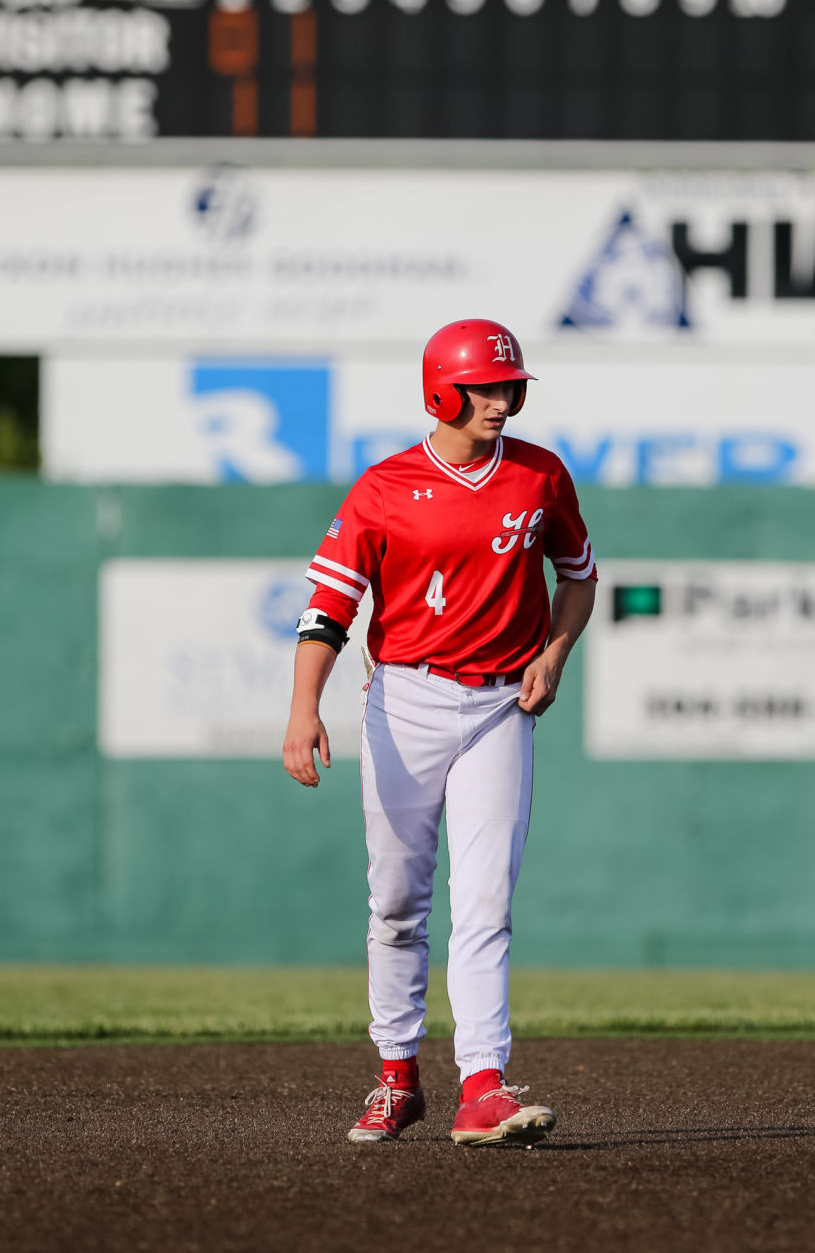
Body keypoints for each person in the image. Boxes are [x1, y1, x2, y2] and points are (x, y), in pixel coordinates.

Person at [282, 317, 597, 1147]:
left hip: (500, 706)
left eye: (509, 388)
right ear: (439, 392)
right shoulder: (383, 486)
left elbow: (579, 579)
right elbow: (328, 609)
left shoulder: (539, 476)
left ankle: (484, 1086)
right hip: (405, 704)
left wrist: (556, 653)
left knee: (486, 901)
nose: (499, 401)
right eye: (484, 388)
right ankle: (396, 1076)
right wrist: (301, 707)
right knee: (396, 904)